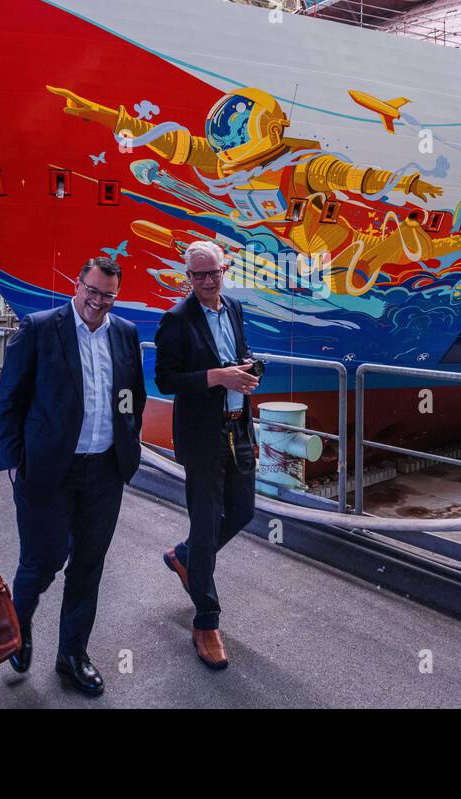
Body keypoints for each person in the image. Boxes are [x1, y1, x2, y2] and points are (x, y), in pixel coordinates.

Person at [0, 256, 146, 696]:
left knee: (88, 566)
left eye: (108, 295)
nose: (98, 302)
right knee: (41, 562)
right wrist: (13, 460)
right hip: (47, 469)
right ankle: (18, 628)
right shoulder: (41, 328)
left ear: (117, 295)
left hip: (104, 470)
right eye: (92, 291)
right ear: (77, 285)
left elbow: (131, 397)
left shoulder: (125, 334)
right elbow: (10, 399)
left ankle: (72, 657)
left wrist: (127, 444)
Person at [154, 241, 259, 670]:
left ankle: (186, 557)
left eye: (213, 272)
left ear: (224, 270)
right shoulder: (176, 320)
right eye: (198, 275)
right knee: (205, 520)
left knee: (243, 511)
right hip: (202, 436)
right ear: (188, 277)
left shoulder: (232, 308)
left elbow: (238, 354)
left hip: (239, 427)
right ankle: (206, 620)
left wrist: (249, 370)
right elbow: (165, 379)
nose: (207, 281)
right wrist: (218, 376)